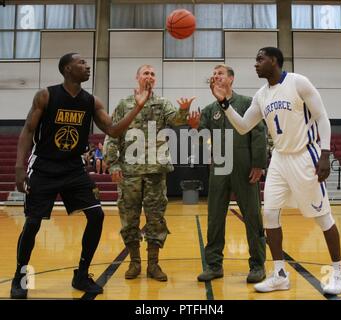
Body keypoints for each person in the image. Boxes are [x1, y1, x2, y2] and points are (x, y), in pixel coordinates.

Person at [11, 52, 151, 299]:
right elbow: (28, 129)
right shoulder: (46, 95)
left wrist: (138, 106)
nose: (87, 66)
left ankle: (82, 274)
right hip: (44, 166)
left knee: (96, 216)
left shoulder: (91, 101)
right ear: (67, 69)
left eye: (87, 63)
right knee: (33, 223)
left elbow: (113, 130)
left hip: (73, 168)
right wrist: (20, 167)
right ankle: (20, 276)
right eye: (81, 63)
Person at [211, 47, 341, 295]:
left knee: (322, 216)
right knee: (270, 214)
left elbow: (322, 117)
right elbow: (243, 126)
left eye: (260, 59)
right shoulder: (261, 95)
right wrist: (224, 103)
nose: (255, 64)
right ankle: (280, 274)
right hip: (279, 159)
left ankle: (339, 273)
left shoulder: (298, 82)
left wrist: (326, 153)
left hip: (305, 156)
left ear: (274, 61)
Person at [103, 64, 193, 282]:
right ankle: (134, 263)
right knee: (129, 219)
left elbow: (178, 121)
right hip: (129, 173)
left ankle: (153, 264)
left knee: (156, 220)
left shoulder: (162, 104)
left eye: (153, 74)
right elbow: (112, 134)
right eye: (146, 73)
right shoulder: (125, 104)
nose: (150, 77)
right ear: (137, 77)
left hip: (155, 172)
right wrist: (112, 164)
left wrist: (184, 110)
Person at [187, 64, 267, 283]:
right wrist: (194, 129)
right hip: (220, 167)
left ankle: (258, 265)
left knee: (252, 216)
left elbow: (259, 133)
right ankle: (213, 265)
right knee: (214, 217)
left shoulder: (247, 103)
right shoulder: (209, 109)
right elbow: (202, 142)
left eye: (220, 73)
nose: (215, 77)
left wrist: (258, 163)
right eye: (213, 74)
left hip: (244, 165)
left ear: (231, 79)